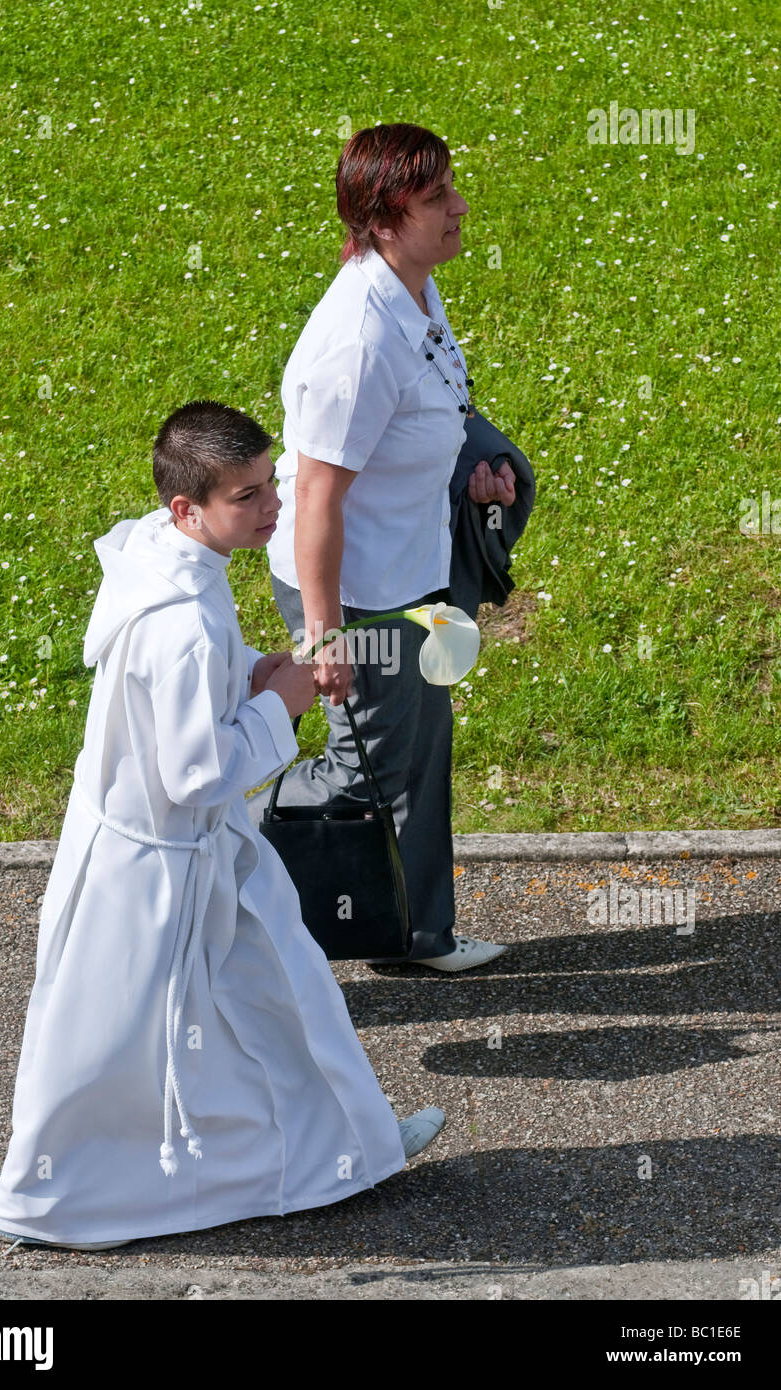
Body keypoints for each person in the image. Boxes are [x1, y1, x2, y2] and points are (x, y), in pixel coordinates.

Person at [0, 400, 445, 1252]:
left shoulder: (165, 566)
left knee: (281, 995)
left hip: (179, 852)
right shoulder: (182, 621)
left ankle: (348, 1153)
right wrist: (283, 701)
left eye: (272, 483)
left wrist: (250, 673)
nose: (273, 507)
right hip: (160, 867)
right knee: (116, 1047)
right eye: (247, 495)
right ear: (185, 509)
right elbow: (195, 772)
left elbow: (180, 696)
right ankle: (55, 1200)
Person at [246, 123, 517, 971]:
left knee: (418, 745)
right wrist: (322, 636)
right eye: (437, 198)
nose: (459, 207)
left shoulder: (411, 286)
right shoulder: (354, 343)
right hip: (357, 589)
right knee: (363, 766)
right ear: (385, 218)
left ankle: (412, 931)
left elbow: (425, 408)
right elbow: (317, 496)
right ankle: (223, 866)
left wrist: (468, 472)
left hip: (411, 567)